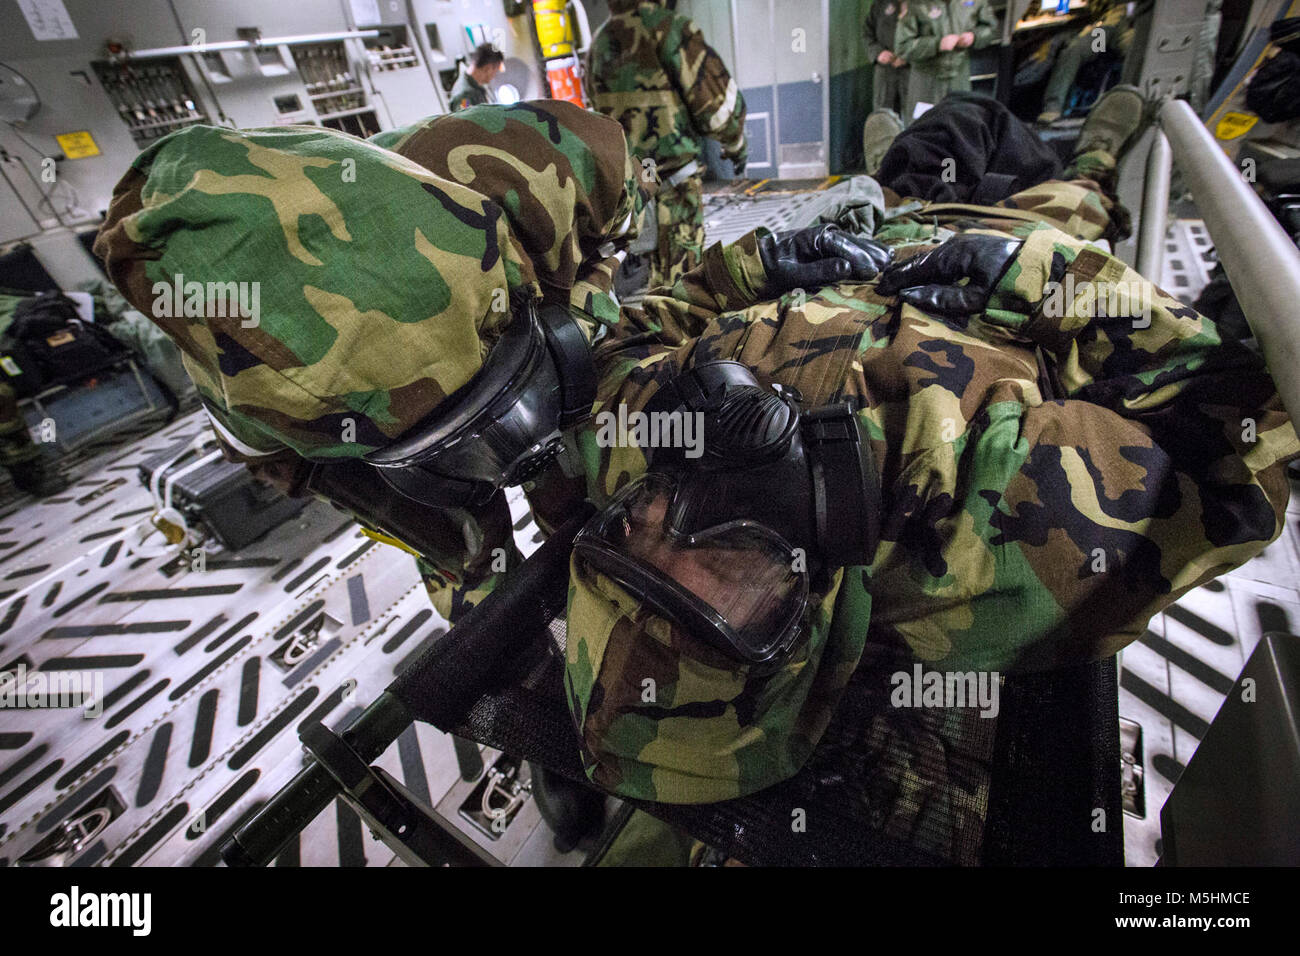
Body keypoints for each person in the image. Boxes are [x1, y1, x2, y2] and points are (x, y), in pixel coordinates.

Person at [94, 90, 1296, 841]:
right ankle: (1061, 149)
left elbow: (633, 324)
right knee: (1035, 177)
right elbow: (1245, 434)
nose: (526, 451)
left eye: (511, 391)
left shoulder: (520, 182)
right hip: (983, 276)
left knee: (959, 163)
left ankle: (1007, 149)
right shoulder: (937, 500)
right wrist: (1044, 272)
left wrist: (759, 262)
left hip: (884, 264)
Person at [587, 0, 748, 290]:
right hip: (676, 183)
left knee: (653, 277)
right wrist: (735, 143)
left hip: (634, 186)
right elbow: (716, 103)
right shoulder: (672, 28)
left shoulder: (599, 43)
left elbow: (597, 115)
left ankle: (653, 325)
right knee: (684, 279)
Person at [894, 0, 1000, 123]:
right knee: (924, 130)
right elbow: (902, 47)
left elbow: (992, 28)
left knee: (962, 127)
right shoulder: (916, 4)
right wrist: (937, 44)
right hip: (927, 83)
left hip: (959, 78)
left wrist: (974, 36)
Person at [1037, 0, 1135, 124]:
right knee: (1074, 51)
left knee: (1133, 52)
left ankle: (1129, 107)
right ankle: (1053, 108)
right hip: (1108, 26)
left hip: (1135, 24)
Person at [0, 382, 65, 496]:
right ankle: (32, 480)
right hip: (10, 434)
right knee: (16, 454)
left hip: (14, 432)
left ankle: (34, 478)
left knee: (22, 452)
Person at [863, 0, 910, 117]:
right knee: (883, 116)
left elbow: (929, 36)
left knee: (914, 116)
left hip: (913, 71)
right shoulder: (880, 4)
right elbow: (867, 34)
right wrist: (878, 53)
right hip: (885, 71)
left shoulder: (922, 4)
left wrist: (908, 56)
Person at [449, 42, 505, 112]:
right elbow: (465, 121)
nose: (495, 76)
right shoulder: (465, 97)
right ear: (488, 68)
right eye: (495, 71)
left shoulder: (475, 86)